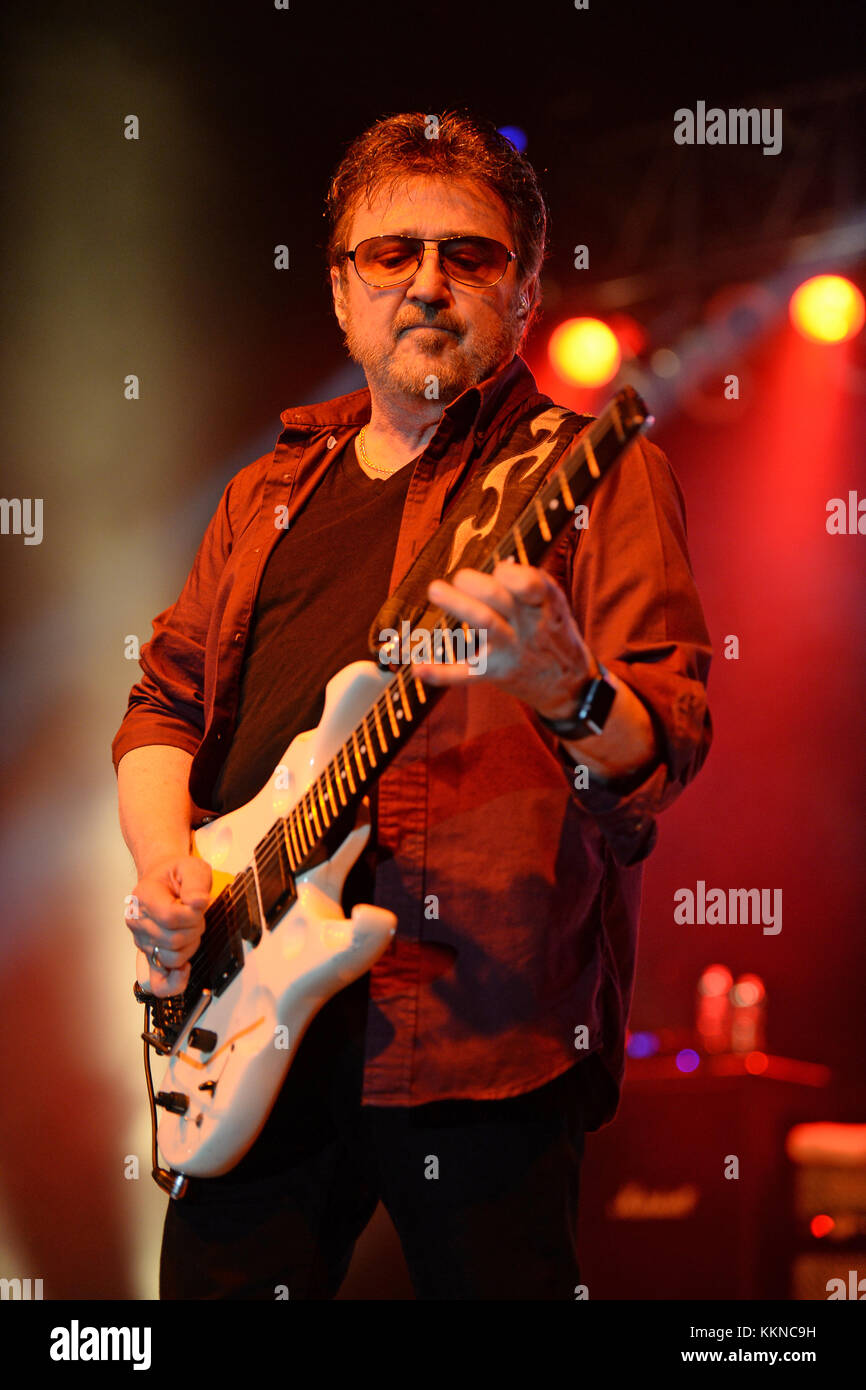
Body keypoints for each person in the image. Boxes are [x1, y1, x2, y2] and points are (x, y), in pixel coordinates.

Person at [112, 109, 712, 1300]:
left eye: (469, 255)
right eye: (391, 255)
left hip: (478, 1035)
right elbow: (160, 709)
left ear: (523, 293)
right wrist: (170, 870)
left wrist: (567, 689)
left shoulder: (590, 470)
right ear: (341, 293)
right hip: (243, 1025)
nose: (428, 283)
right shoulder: (264, 493)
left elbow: (655, 754)